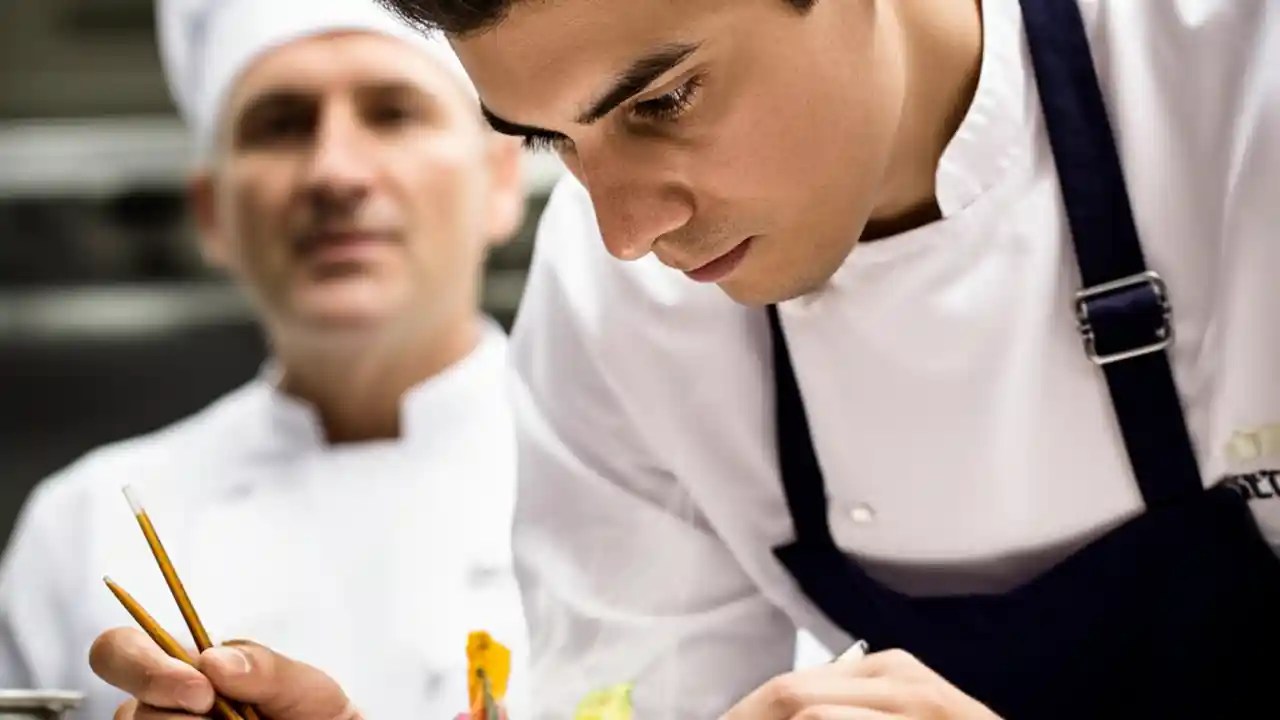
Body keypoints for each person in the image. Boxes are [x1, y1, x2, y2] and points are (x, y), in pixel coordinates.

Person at [85, 0, 1280, 717]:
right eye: (553, 139)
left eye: (662, 102)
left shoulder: (1240, 91)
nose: (625, 231)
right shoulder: (611, 303)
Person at [0, 1, 529, 718]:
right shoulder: (83, 528)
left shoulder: (639, 474)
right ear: (211, 211)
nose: (335, 172)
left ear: (502, 180)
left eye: (394, 113)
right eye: (281, 124)